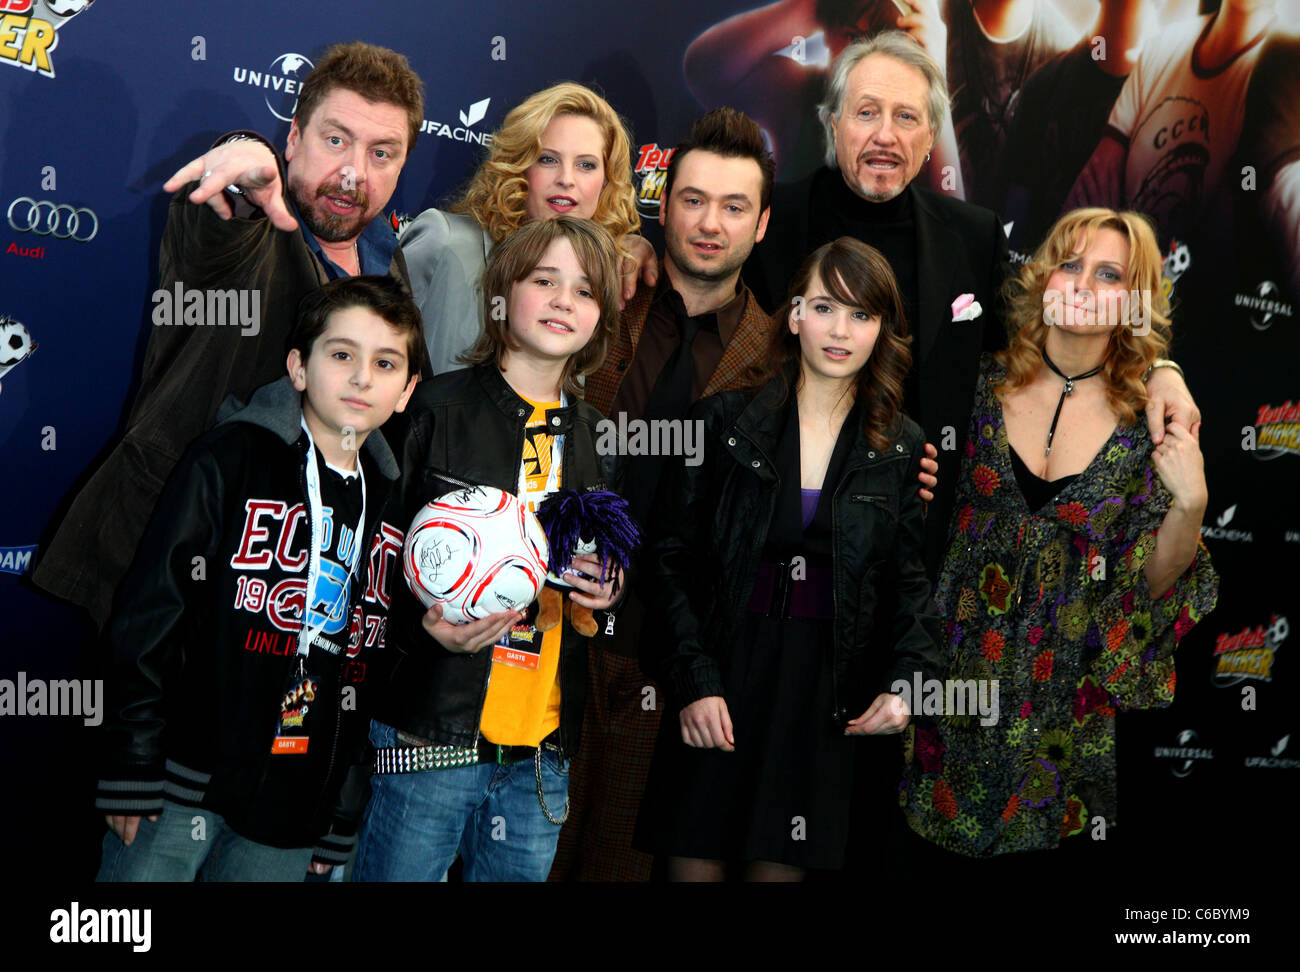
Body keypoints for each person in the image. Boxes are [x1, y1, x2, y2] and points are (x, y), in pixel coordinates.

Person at [742, 29, 1201, 578]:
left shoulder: (971, 236)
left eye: (907, 118)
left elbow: (1050, 323)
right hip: (768, 529)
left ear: (932, 134)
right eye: (866, 113)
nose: (885, 135)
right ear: (833, 121)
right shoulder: (768, 220)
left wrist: (1161, 369)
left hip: (908, 557)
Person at [33, 41, 425, 631]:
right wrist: (240, 167)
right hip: (172, 572)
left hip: (303, 588)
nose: (352, 172)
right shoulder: (252, 228)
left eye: (382, 153)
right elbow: (216, 220)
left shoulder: (390, 266)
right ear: (293, 138)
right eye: (335, 139)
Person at [901, 208, 1218, 867]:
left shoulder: (1149, 424)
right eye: (1069, 265)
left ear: (1135, 301)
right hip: (943, 705)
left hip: (1061, 725)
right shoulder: (975, 384)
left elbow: (1150, 592)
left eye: (1108, 274)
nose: (1081, 283)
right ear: (1042, 277)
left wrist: (1190, 505)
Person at [95, 275, 423, 881]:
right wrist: (132, 763)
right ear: (298, 368)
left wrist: (341, 809)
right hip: (181, 778)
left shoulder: (398, 511)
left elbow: (367, 670)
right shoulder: (229, 458)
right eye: (342, 354)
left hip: (295, 804)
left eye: (385, 363)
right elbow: (151, 612)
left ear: (406, 391)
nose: (361, 378)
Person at [637, 236, 943, 880]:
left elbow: (909, 585)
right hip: (723, 673)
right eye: (826, 307)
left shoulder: (900, 445)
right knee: (692, 863)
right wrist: (695, 681)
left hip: (822, 693)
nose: (841, 330)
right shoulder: (722, 420)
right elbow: (667, 560)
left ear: (883, 330)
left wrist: (907, 684)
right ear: (795, 313)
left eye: (863, 315)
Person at [353, 217, 625, 882]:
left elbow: (604, 588)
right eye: (544, 280)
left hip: (540, 751)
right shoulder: (433, 410)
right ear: (503, 292)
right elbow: (366, 567)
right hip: (432, 732)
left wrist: (604, 595)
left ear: (603, 316)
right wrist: (423, 636)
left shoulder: (598, 438)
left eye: (586, 291)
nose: (565, 300)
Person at [550, 108, 778, 882]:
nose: (709, 224)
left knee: (619, 866)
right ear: (663, 201)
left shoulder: (783, 358)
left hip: (673, 665)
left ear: (764, 223)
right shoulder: (597, 294)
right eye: (692, 199)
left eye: (734, 205)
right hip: (551, 638)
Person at [400, 82, 642, 375]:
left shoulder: (601, 277)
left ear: (606, 182)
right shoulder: (446, 242)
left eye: (586, 165)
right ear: (520, 165)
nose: (567, 179)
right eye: (548, 159)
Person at [682, 0, 963, 189]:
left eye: (886, 37)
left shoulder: (923, 123)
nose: (866, 58)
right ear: (827, 36)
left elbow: (952, 230)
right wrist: (812, 7)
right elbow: (705, 70)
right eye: (853, 38)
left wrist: (933, 72)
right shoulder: (803, 92)